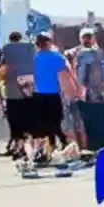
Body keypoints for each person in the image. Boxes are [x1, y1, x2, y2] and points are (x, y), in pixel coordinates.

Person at [29, 33, 82, 166]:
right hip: (53, 94)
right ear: (49, 43)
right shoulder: (56, 57)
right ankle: (61, 143)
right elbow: (65, 74)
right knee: (55, 122)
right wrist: (75, 89)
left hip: (38, 94)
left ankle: (49, 150)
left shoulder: (33, 58)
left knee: (43, 124)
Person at [0, 32, 37, 159]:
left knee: (15, 121)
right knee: (29, 120)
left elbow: (2, 68)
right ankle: (30, 146)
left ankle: (17, 147)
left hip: (12, 91)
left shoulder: (6, 49)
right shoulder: (30, 48)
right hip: (29, 90)